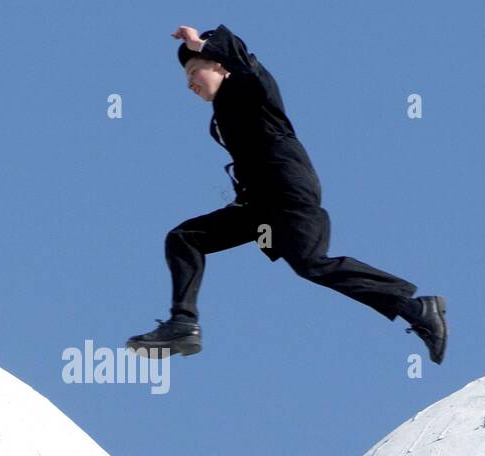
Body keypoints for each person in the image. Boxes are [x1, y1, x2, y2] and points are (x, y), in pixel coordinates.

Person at [126, 24, 448, 363]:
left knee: (312, 264)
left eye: (194, 70)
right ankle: (183, 324)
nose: (189, 83)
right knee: (184, 239)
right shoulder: (222, 114)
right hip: (260, 205)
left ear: (218, 64)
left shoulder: (248, 86)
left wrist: (203, 43)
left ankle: (416, 307)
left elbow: (243, 60)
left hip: (286, 190)